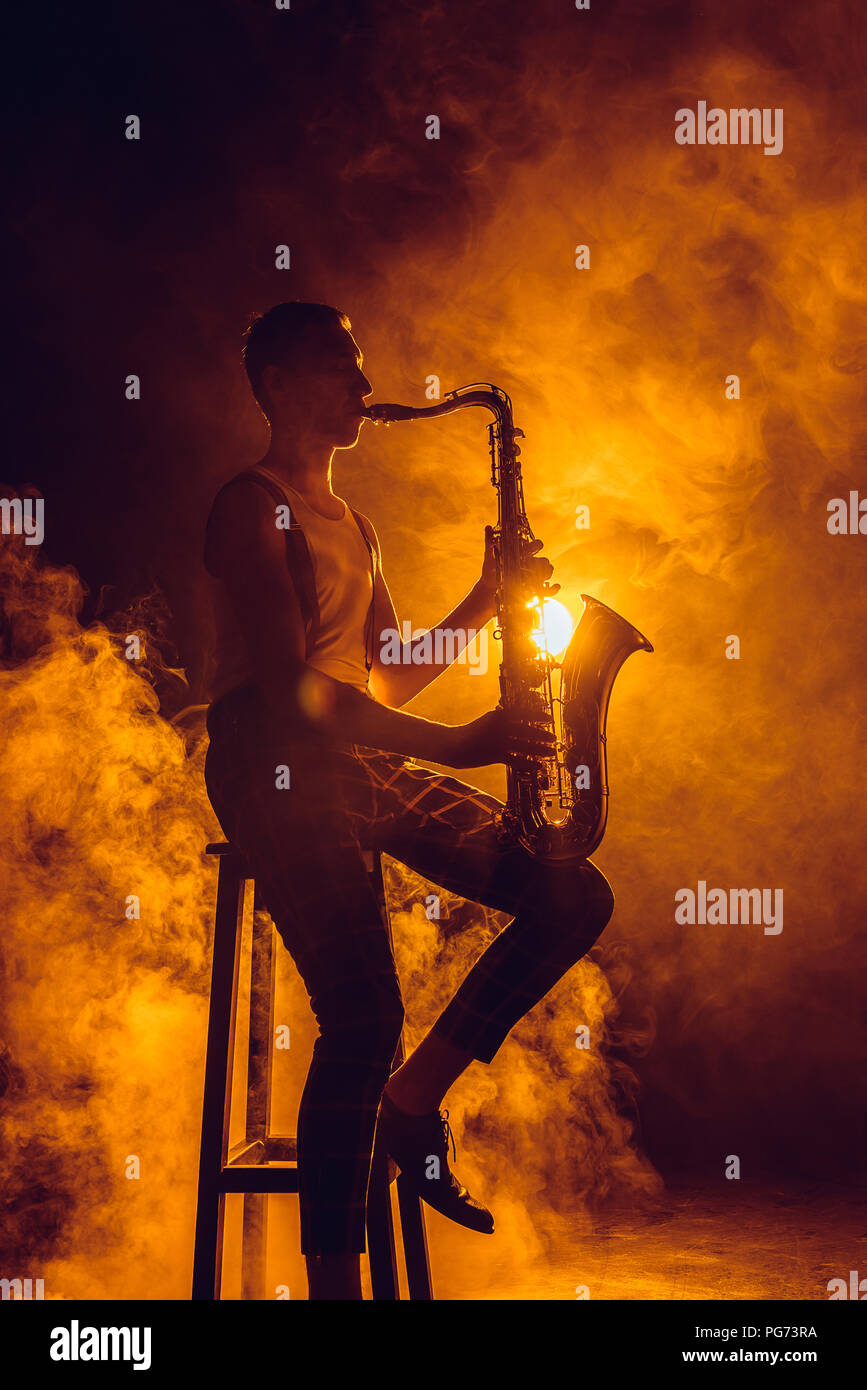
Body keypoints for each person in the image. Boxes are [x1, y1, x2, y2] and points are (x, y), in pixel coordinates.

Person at [203, 302, 615, 1299]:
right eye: (341, 366)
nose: (362, 381)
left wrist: (482, 600)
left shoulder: (357, 523)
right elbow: (293, 692)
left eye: (358, 364)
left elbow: (384, 674)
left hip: (358, 763)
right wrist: (461, 745)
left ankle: (413, 1100)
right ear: (277, 385)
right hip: (279, 767)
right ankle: (336, 1291)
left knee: (575, 895)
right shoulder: (251, 507)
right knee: (363, 1013)